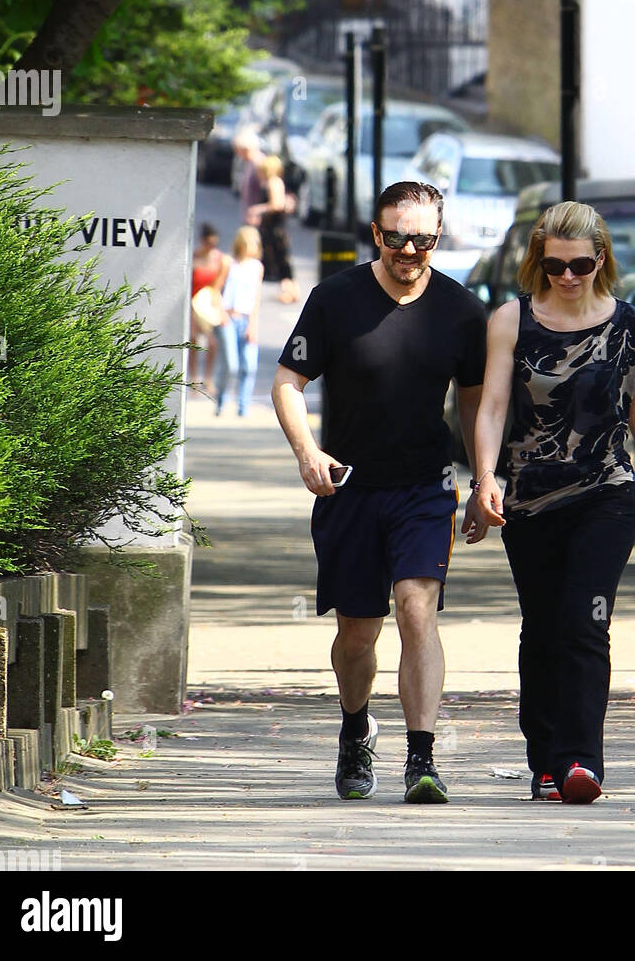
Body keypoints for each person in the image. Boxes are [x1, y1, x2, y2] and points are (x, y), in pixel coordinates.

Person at [463, 200, 635, 804]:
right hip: (530, 500)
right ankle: (544, 759)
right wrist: (485, 478)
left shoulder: (630, 325)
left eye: (580, 264)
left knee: (586, 622)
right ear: (539, 261)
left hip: (607, 493)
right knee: (542, 628)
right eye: (555, 264)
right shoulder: (512, 320)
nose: (567, 276)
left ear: (601, 259)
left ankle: (581, 761)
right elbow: (491, 407)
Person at [271, 181, 487, 804]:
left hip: (425, 488)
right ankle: (354, 727)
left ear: (437, 240)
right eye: (396, 237)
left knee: (418, 609)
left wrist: (483, 480)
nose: (408, 250)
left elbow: (475, 407)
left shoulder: (460, 311)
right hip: (351, 491)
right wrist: (308, 452)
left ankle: (422, 759)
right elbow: (288, 382)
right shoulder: (335, 300)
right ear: (376, 234)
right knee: (358, 635)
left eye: (421, 239)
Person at [214, 226, 264, 418]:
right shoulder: (229, 262)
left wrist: (254, 325)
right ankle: (221, 399)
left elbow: (256, 298)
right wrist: (222, 313)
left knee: (249, 365)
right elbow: (216, 290)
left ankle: (243, 406)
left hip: (246, 318)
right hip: (228, 317)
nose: (251, 248)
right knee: (230, 364)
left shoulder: (257, 267)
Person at [247, 154, 299, 305]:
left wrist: (258, 209)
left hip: (275, 228)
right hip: (272, 227)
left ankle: (290, 290)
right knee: (279, 259)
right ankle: (289, 290)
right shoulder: (272, 182)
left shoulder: (273, 183)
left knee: (280, 258)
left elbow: (276, 204)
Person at [189, 223, 230, 392]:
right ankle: (193, 379)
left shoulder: (221, 260)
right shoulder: (193, 257)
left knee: (212, 343)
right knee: (194, 341)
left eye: (215, 244)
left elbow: (217, 288)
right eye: (209, 243)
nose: (212, 247)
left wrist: (220, 311)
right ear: (203, 241)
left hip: (208, 304)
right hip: (193, 304)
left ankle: (208, 378)